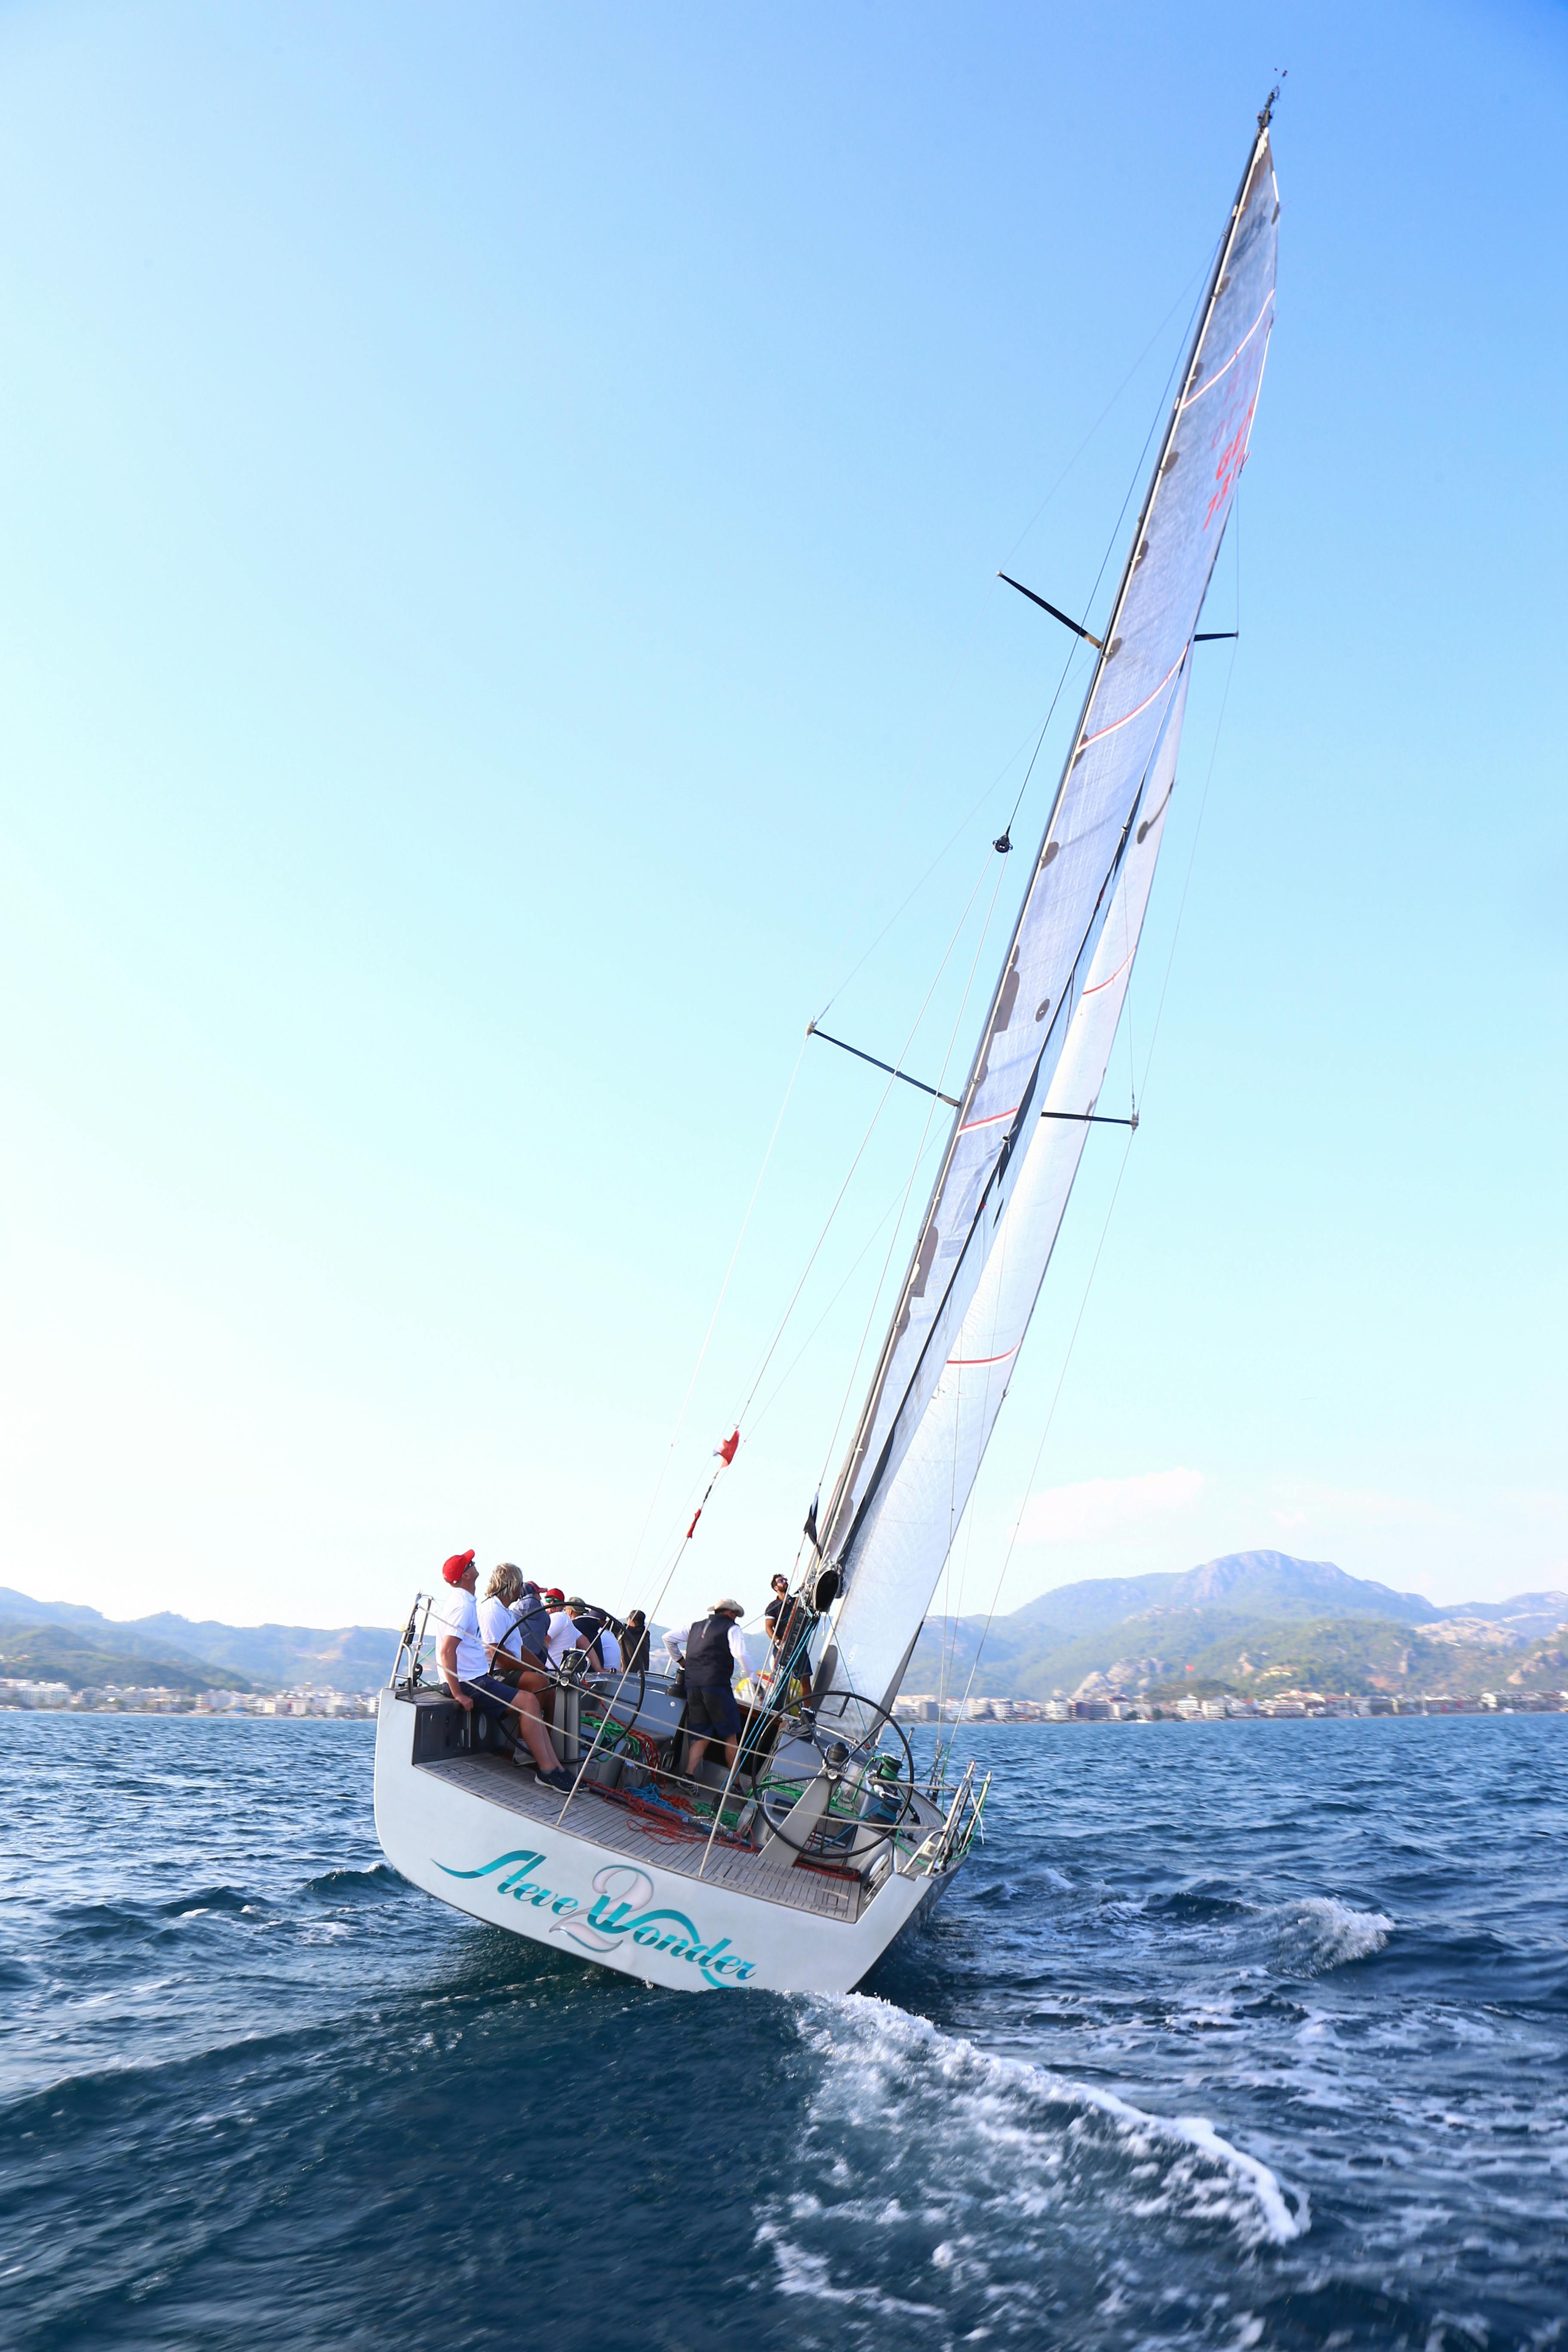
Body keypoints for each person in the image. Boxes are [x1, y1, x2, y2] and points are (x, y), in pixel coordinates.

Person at [433, 1552, 573, 1790]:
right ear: (465, 1575)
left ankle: (554, 1767)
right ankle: (547, 1770)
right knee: (529, 1702)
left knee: (534, 1698)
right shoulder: (465, 1607)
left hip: (477, 1679)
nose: (476, 1565)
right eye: (471, 1564)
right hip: (471, 1683)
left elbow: (516, 1649)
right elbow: (448, 1651)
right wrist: (457, 1693)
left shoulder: (465, 1603)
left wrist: (548, 1670)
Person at [665, 1600, 751, 1779]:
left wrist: (681, 1661)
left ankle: (688, 1777)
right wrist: (754, 1679)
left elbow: (668, 1638)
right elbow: (740, 1653)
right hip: (717, 1685)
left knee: (703, 1732)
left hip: (693, 1684)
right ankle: (734, 1786)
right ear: (731, 1614)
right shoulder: (731, 1628)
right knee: (730, 1736)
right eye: (735, 1616)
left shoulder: (694, 1626)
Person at [565, 1599, 622, 1675]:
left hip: (582, 1674)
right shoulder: (595, 1629)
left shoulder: (573, 1626)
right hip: (597, 1672)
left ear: (570, 1611)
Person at [622, 1610, 651, 1674]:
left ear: (630, 1619)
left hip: (629, 1674)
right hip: (642, 1674)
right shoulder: (645, 1634)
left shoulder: (626, 1633)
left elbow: (612, 1626)